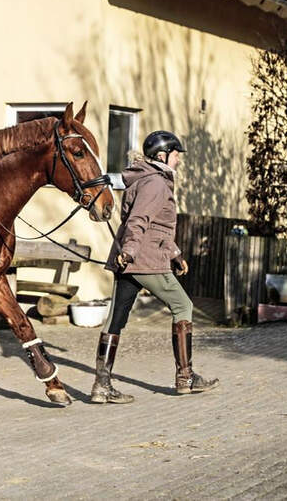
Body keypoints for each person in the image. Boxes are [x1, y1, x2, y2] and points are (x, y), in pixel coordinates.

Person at [90, 130, 218, 404]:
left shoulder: (143, 179)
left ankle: (102, 385)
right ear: (163, 156)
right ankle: (185, 377)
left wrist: (174, 253)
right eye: (176, 155)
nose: (179, 161)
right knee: (183, 306)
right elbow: (138, 220)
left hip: (132, 259)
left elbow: (157, 225)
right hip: (145, 260)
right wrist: (131, 250)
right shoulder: (157, 184)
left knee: (116, 318)